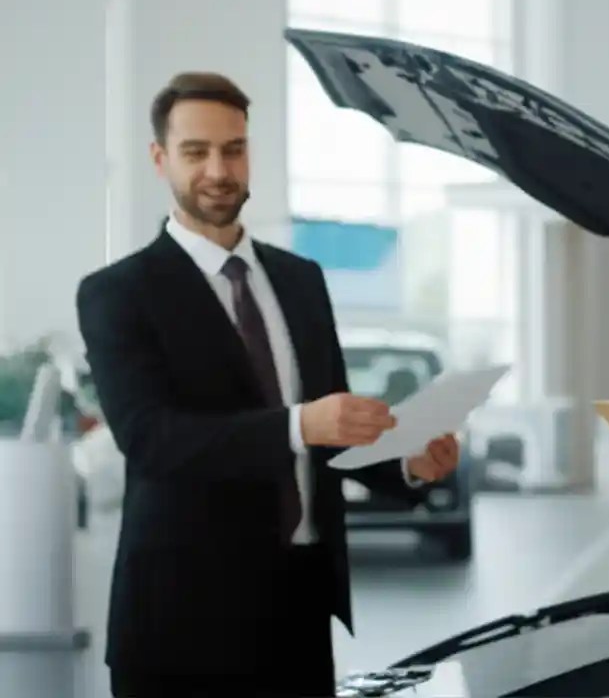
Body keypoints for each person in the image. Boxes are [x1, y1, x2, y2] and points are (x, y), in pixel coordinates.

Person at [76, 71, 462, 698]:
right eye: (195, 152)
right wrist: (300, 423)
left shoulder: (301, 280)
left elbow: (332, 440)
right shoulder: (118, 293)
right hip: (182, 626)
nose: (218, 170)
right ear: (159, 159)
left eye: (233, 148)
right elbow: (151, 440)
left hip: (300, 612)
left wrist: (409, 464)